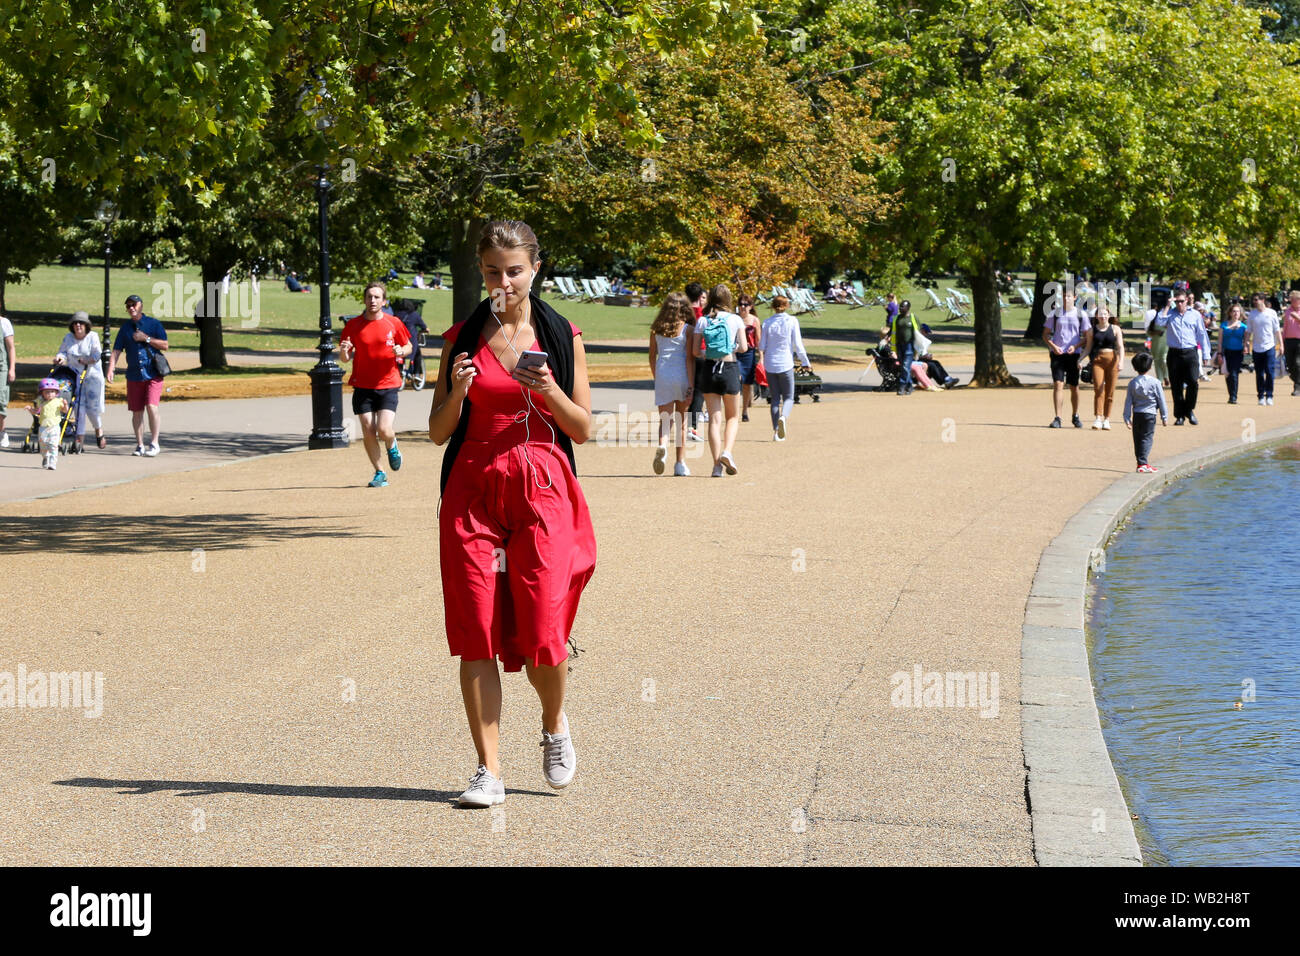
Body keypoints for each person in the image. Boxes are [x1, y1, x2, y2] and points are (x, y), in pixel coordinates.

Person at [428, 219, 595, 808]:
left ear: (535, 269)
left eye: (515, 270)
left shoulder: (561, 334)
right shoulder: (461, 337)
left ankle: (554, 726)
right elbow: (435, 431)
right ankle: (488, 770)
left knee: (545, 632)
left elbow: (583, 429)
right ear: (482, 271)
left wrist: (548, 388)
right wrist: (456, 392)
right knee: (477, 627)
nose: (504, 282)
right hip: (473, 488)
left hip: (542, 486)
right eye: (493, 272)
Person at [339, 282, 411, 487]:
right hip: (362, 385)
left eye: (377, 297)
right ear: (364, 300)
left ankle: (392, 445)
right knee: (368, 429)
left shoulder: (393, 323)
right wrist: (344, 350)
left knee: (384, 429)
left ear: (384, 301)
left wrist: (401, 351)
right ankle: (380, 472)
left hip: (388, 383)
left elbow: (408, 345)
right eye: (369, 297)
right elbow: (345, 357)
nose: (372, 300)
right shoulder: (353, 326)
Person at [692, 284, 747, 476]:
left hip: (709, 369)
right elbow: (744, 348)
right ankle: (727, 452)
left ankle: (716, 466)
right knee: (732, 417)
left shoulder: (703, 321)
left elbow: (695, 351)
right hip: (729, 367)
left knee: (714, 420)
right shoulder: (735, 319)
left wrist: (709, 352)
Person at [108, 294, 169, 456]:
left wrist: (146, 338)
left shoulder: (153, 324)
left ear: (141, 305)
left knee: (151, 406)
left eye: (134, 304)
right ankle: (140, 445)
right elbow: (116, 350)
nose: (131, 308)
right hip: (134, 374)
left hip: (153, 373)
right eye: (128, 306)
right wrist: (111, 369)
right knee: (137, 411)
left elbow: (165, 345)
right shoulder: (125, 328)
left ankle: (154, 443)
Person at [648, 292, 694, 476]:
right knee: (682, 422)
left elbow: (652, 356)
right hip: (681, 374)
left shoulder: (656, 329)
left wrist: (656, 376)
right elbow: (689, 359)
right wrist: (691, 385)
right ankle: (680, 463)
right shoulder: (688, 329)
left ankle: (662, 445)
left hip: (663, 374)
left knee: (665, 420)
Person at [1151, 287, 1209, 425]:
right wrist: (1167, 305)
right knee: (1176, 385)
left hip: (1190, 352)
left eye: (1181, 301)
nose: (1179, 304)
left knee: (1193, 383)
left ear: (1187, 300)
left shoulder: (1195, 314)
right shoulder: (1169, 314)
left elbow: (1202, 334)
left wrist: (1206, 353)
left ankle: (1189, 410)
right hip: (1175, 353)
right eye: (1177, 302)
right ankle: (1179, 416)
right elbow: (1159, 323)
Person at [760, 294, 811, 441]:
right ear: (786, 305)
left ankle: (776, 431)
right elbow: (798, 345)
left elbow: (762, 345)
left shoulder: (767, 323)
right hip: (786, 363)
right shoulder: (792, 321)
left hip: (771, 363)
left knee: (775, 398)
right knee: (789, 397)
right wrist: (805, 362)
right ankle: (783, 418)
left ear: (773, 306)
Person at [53, 312, 106, 449]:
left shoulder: (92, 337)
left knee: (92, 409)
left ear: (86, 325)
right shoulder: (68, 338)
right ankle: (79, 441)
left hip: (92, 376)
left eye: (81, 323)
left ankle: (98, 430)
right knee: (78, 407)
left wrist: (86, 360)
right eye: (75, 323)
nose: (78, 325)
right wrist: (60, 358)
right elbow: (63, 352)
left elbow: (97, 354)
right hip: (75, 376)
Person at [1043, 290, 1092, 427]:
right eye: (1064, 296)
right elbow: (1045, 334)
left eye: (1069, 296)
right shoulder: (1054, 314)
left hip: (1073, 354)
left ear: (1075, 297)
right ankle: (1057, 417)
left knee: (1074, 386)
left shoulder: (1081, 314)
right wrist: (1053, 346)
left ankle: (1075, 415)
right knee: (1058, 384)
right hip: (1057, 354)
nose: (1066, 298)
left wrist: (1076, 346)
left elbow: (1087, 336)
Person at [1123, 351, 1167, 473]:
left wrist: (1126, 417)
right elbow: (1161, 400)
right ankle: (1143, 463)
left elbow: (1128, 401)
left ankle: (1140, 463)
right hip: (1150, 414)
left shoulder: (1132, 383)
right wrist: (1164, 416)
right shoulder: (1155, 382)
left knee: (1137, 438)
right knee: (1147, 437)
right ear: (1150, 366)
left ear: (1134, 367)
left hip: (1137, 413)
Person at [1089, 305, 1125, 429]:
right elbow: (1088, 347)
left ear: (1109, 316)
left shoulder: (1115, 328)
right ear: (1096, 316)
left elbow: (1120, 346)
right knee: (1098, 389)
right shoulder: (1092, 330)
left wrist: (1121, 361)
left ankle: (1107, 418)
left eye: (1105, 314)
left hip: (1112, 360)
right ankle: (1098, 417)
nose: (1103, 316)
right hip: (1098, 360)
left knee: (1110, 391)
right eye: (1100, 314)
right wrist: (1080, 359)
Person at [1246, 292, 1283, 406]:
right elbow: (1248, 331)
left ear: (1262, 300)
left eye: (1256, 299)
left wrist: (1281, 344)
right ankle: (1261, 396)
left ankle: (1269, 395)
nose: (1255, 302)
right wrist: (1246, 343)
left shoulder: (1272, 313)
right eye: (1254, 300)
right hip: (1257, 347)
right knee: (1259, 373)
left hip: (1269, 346)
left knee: (1269, 372)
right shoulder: (1252, 314)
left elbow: (1277, 330)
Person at [683, 281, 707, 442]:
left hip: (683, 354)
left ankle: (683, 425)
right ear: (700, 297)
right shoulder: (702, 315)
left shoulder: (682, 313)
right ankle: (692, 426)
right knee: (698, 391)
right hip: (700, 354)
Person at [27, 378, 68, 470]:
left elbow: (65, 411)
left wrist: (65, 405)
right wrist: (30, 409)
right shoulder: (41, 402)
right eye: (47, 392)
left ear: (56, 392)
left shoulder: (58, 401)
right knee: (43, 445)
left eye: (52, 391)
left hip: (54, 427)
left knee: (53, 445)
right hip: (43, 427)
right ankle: (45, 457)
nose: (50, 394)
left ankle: (53, 463)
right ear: (42, 393)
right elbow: (36, 412)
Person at [887, 299, 922, 395]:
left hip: (909, 345)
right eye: (900, 306)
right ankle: (910, 386)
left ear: (908, 308)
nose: (900, 308)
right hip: (899, 345)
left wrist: (919, 348)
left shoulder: (913, 318)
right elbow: (892, 331)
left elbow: (919, 333)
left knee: (906, 366)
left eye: (903, 307)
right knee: (904, 367)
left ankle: (901, 386)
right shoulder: (896, 318)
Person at [735, 295, 762, 422]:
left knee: (747, 383)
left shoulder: (754, 320)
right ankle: (734, 410)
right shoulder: (734, 319)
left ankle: (744, 410)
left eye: (746, 304)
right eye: (741, 304)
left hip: (749, 354)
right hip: (735, 352)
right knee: (735, 381)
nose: (742, 307)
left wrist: (761, 358)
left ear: (751, 306)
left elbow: (758, 340)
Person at [1219, 303, 1248, 404]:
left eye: (1238, 311)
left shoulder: (1243, 326)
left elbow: (1246, 340)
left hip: (1237, 352)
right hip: (1226, 352)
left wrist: (1245, 346)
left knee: (1234, 373)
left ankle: (1233, 396)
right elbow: (1220, 341)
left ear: (1240, 313)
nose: (1236, 313)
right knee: (1227, 374)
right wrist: (1219, 353)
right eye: (1234, 311)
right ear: (1230, 313)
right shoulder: (1224, 325)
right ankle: (1231, 394)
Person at [1282, 289, 1300, 397]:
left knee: (1298, 363)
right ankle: (1297, 379)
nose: (1292, 301)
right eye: (1291, 299)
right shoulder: (1288, 311)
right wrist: (1283, 340)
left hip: (1299, 341)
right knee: (1289, 364)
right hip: (1289, 340)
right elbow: (1285, 326)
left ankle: (1297, 387)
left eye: (1294, 299)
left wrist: (1297, 318)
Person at [0, 313, 14, 448]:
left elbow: (11, 348)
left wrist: (12, 368)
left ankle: (2, 432)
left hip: (1, 368)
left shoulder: (4, 323)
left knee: (0, 402)